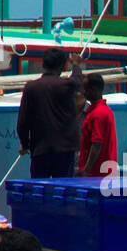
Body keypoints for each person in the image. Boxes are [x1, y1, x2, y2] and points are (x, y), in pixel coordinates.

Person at [16, 48, 84, 178]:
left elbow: (22, 122)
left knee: (39, 191)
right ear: (63, 66)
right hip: (65, 149)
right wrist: (76, 65)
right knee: (62, 191)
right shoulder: (66, 85)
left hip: (40, 149)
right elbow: (78, 80)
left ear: (43, 64)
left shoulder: (31, 87)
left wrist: (25, 145)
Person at [77, 74, 118, 178]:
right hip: (105, 172)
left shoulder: (97, 114)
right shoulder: (106, 110)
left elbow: (97, 143)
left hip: (95, 174)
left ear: (94, 90)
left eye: (86, 89)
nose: (83, 92)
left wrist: (86, 170)